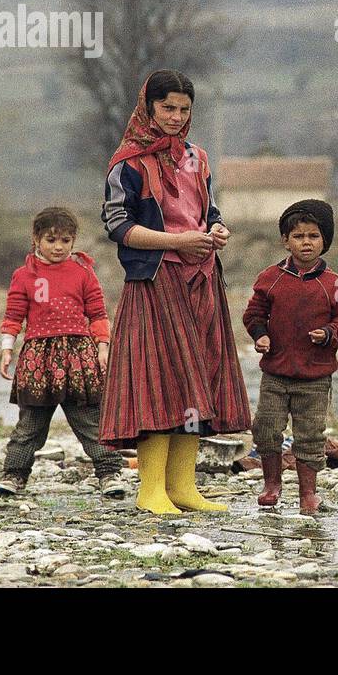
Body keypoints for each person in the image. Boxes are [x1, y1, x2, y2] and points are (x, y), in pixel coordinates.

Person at [98, 69, 251, 514]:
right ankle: (151, 492)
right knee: (158, 383)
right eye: (167, 107)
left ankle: (184, 487)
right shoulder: (127, 163)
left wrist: (216, 230)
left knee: (195, 379)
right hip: (154, 280)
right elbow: (118, 226)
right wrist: (176, 242)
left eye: (184, 109)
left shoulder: (198, 158)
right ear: (148, 106)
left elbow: (209, 210)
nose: (175, 116)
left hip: (201, 279)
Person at [0, 207, 127, 497]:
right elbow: (14, 316)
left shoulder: (83, 272)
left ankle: (109, 474)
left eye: (65, 241)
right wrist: (7, 349)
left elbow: (98, 314)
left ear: (73, 241)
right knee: (30, 422)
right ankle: (14, 475)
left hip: (79, 357)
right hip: (37, 359)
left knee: (90, 420)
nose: (58, 247)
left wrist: (103, 347)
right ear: (36, 239)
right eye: (51, 240)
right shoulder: (23, 276)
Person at [243, 199, 338, 514]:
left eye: (313, 236)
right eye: (298, 237)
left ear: (324, 241)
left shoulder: (335, 284)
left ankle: (308, 493)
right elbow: (254, 313)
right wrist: (260, 335)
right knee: (266, 428)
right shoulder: (271, 278)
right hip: (276, 373)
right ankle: (271, 485)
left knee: (309, 435)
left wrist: (330, 334)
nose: (306, 243)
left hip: (315, 376)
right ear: (285, 240)